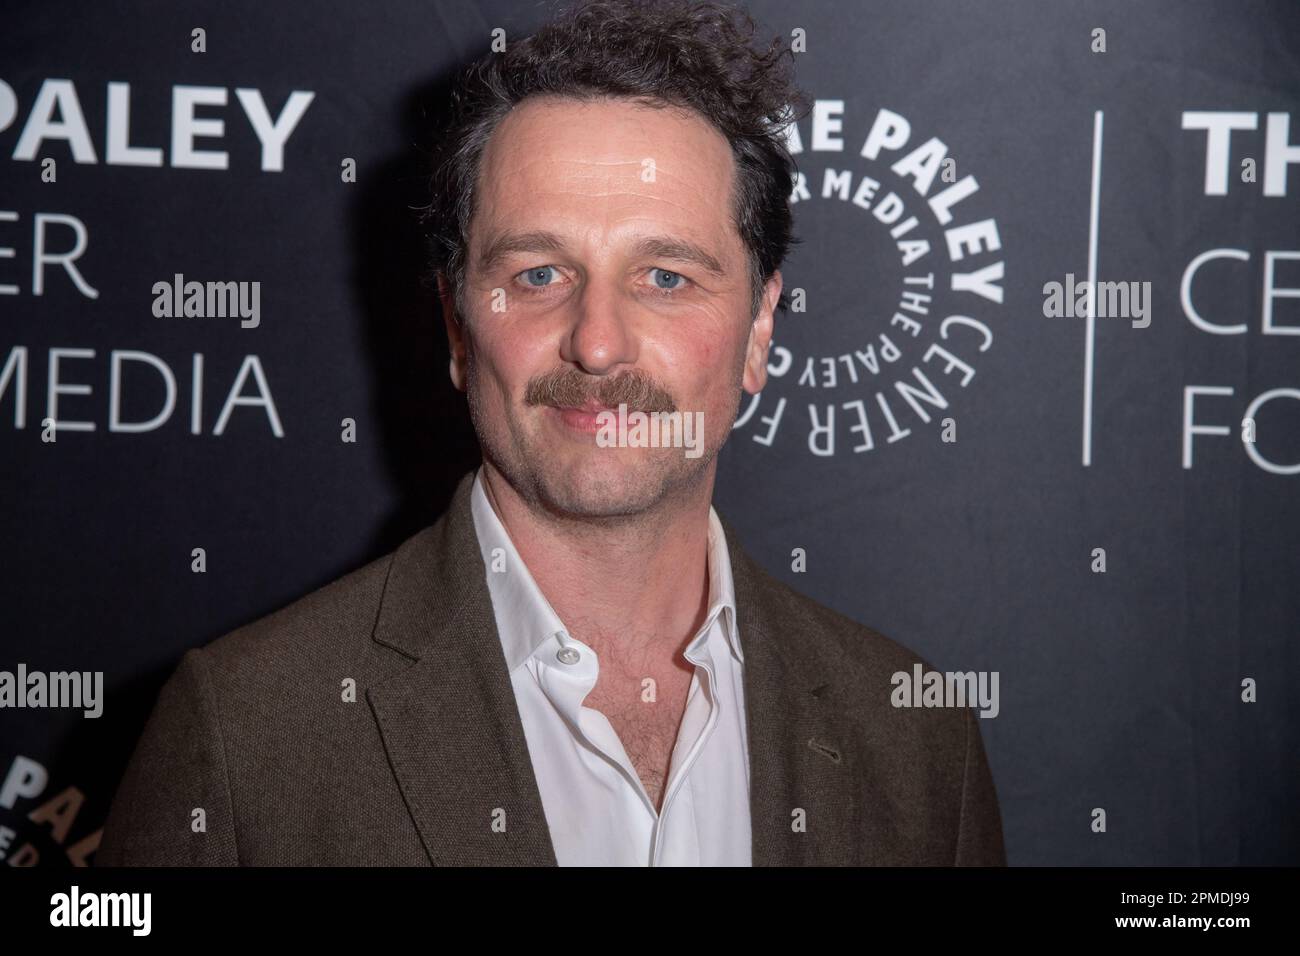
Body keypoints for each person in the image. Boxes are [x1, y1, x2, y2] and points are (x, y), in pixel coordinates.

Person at [97, 0, 1006, 867]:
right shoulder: (246, 733)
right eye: (538, 275)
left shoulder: (914, 736)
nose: (598, 341)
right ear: (459, 329)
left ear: (759, 333)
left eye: (665, 277)